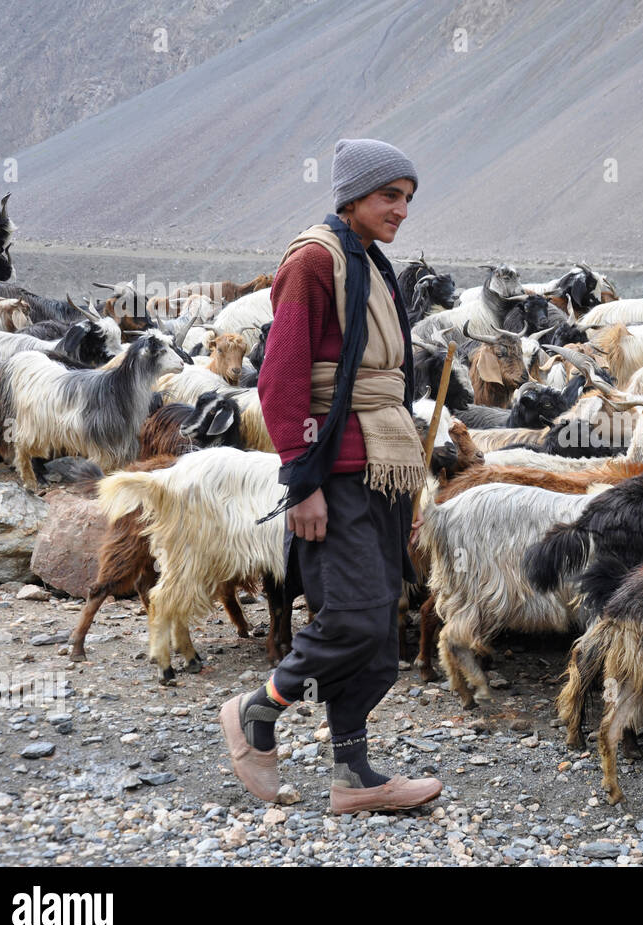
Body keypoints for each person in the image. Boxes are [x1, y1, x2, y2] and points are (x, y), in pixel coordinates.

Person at [220, 138, 442, 814]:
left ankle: (354, 776)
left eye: (407, 198)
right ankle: (257, 712)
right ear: (351, 195)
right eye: (389, 196)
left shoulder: (369, 261)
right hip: (337, 469)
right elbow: (282, 381)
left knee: (379, 629)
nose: (401, 210)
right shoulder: (315, 261)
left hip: (382, 466)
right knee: (349, 615)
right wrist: (303, 481)